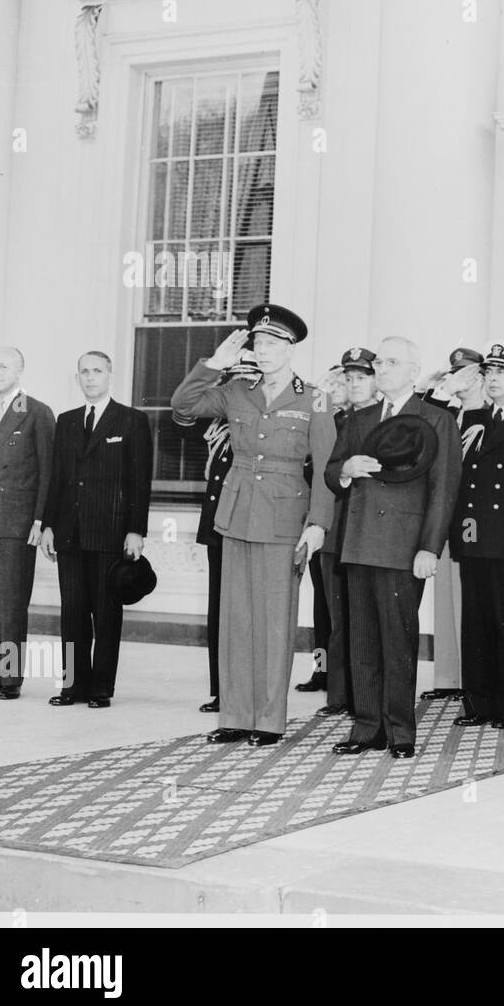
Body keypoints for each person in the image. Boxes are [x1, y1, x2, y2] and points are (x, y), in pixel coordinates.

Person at [170, 305, 335, 747]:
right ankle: (235, 715)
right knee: (236, 618)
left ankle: (268, 720)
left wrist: (318, 522)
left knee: (274, 622)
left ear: (289, 348)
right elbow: (183, 405)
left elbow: (323, 467)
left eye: (271, 344)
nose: (262, 351)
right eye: (256, 343)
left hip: (283, 518)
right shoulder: (236, 390)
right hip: (237, 511)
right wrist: (212, 365)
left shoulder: (315, 398)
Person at [326, 337, 461, 758]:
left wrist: (429, 549)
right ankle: (367, 727)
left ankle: (401, 731)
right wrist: (345, 469)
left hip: (404, 547)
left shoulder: (437, 419)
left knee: (398, 640)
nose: (380, 368)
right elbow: (332, 472)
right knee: (362, 639)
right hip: (359, 540)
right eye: (379, 361)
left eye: (391, 362)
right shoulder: (360, 418)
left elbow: (443, 491)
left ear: (413, 371)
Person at [40, 350, 152, 708]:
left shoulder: (131, 420)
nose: (90, 377)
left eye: (97, 371)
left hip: (110, 531)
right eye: (84, 372)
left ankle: (101, 687)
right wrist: (48, 526)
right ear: (78, 378)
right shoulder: (67, 420)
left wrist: (136, 530)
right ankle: (73, 686)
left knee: (105, 613)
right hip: (70, 532)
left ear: (110, 375)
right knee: (72, 612)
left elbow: (139, 481)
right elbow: (57, 479)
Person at [452, 341, 504, 730]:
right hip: (474, 538)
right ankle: (477, 704)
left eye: (502, 372)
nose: (494, 379)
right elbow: (463, 479)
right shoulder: (473, 419)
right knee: (476, 623)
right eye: (489, 373)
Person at [171, 353, 260, 713]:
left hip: (247, 524)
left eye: (243, 380)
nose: (234, 387)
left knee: (246, 611)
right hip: (217, 527)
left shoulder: (254, 424)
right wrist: (211, 372)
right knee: (219, 610)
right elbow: (182, 410)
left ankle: (246, 689)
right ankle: (222, 689)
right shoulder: (216, 424)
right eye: (230, 380)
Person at [0, 347, 55, 700]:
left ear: (20, 370)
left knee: (11, 604)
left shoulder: (36, 412)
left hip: (15, 521)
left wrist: (41, 519)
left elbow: (48, 472)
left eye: (4, 366)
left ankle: (9, 678)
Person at [418, 346, 486, 702]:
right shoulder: (449, 414)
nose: (459, 379)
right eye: (454, 373)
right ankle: (447, 676)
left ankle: (470, 676)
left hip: (471, 518)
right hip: (441, 515)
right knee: (444, 596)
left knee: (467, 599)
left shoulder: (487, 415)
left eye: (467, 373)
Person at [314, 348, 377, 718]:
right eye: (347, 378)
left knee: (364, 620)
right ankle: (339, 694)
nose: (352, 384)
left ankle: (364, 695)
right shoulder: (334, 419)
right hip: (335, 531)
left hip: (367, 533)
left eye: (360, 377)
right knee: (337, 617)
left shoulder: (385, 419)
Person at [295, 366, 345, 695]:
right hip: (315, 522)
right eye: (332, 382)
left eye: (342, 383)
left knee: (338, 609)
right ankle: (320, 671)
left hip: (341, 528)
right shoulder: (316, 417)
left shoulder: (350, 422)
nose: (336, 388)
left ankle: (339, 680)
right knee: (320, 608)